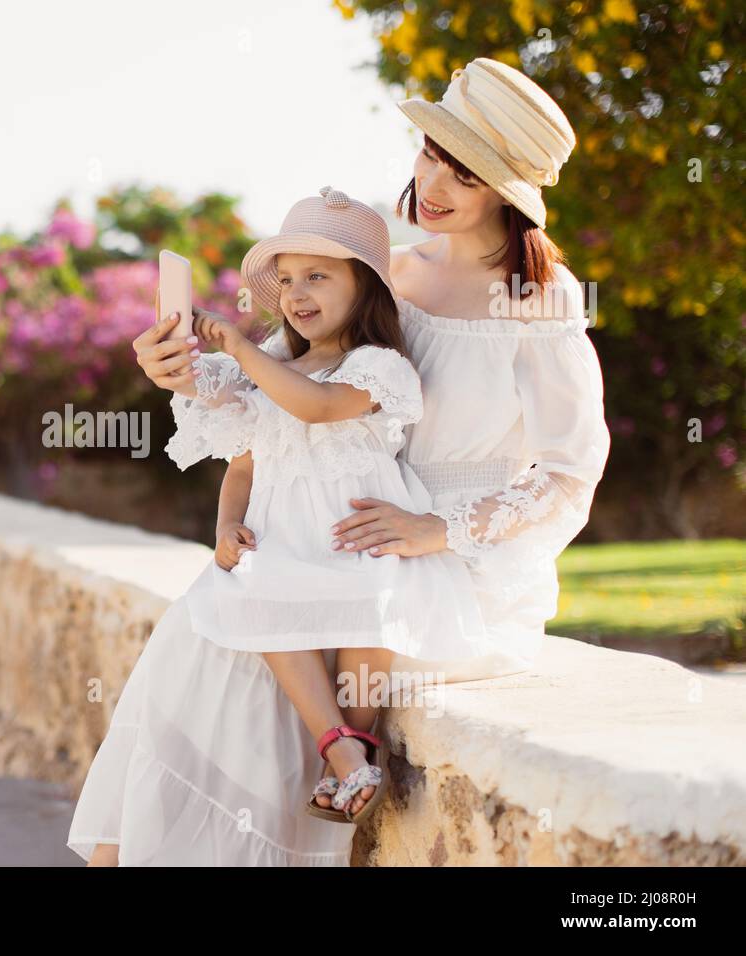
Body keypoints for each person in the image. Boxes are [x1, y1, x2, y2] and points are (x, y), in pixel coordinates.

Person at [100, 58, 610, 866]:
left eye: (464, 172)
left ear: (506, 192)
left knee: (241, 658)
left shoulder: (539, 300)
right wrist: (179, 368)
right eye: (430, 153)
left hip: (452, 565)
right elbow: (273, 388)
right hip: (339, 530)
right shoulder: (390, 273)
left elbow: (569, 473)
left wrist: (433, 528)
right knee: (203, 631)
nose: (432, 181)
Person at [67, 187, 499, 866]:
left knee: (371, 608)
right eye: (288, 279)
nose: (298, 292)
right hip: (283, 544)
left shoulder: (376, 367)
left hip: (351, 539)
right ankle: (339, 745)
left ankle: (353, 748)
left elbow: (320, 406)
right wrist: (228, 525)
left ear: (367, 289)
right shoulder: (276, 363)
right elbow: (245, 461)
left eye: (320, 276)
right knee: (255, 587)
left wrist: (242, 351)